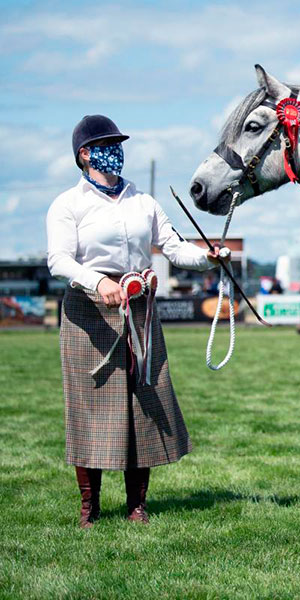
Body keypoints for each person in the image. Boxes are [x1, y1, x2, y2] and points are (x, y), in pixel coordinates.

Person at [46, 115, 229, 528]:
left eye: (119, 142)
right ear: (85, 154)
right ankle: (89, 507)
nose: (117, 149)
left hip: (140, 308)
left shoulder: (143, 201)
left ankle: (137, 505)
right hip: (89, 311)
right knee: (91, 408)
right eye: (108, 143)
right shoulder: (67, 204)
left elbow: (173, 247)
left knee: (144, 404)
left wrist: (207, 256)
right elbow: (59, 259)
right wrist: (98, 282)